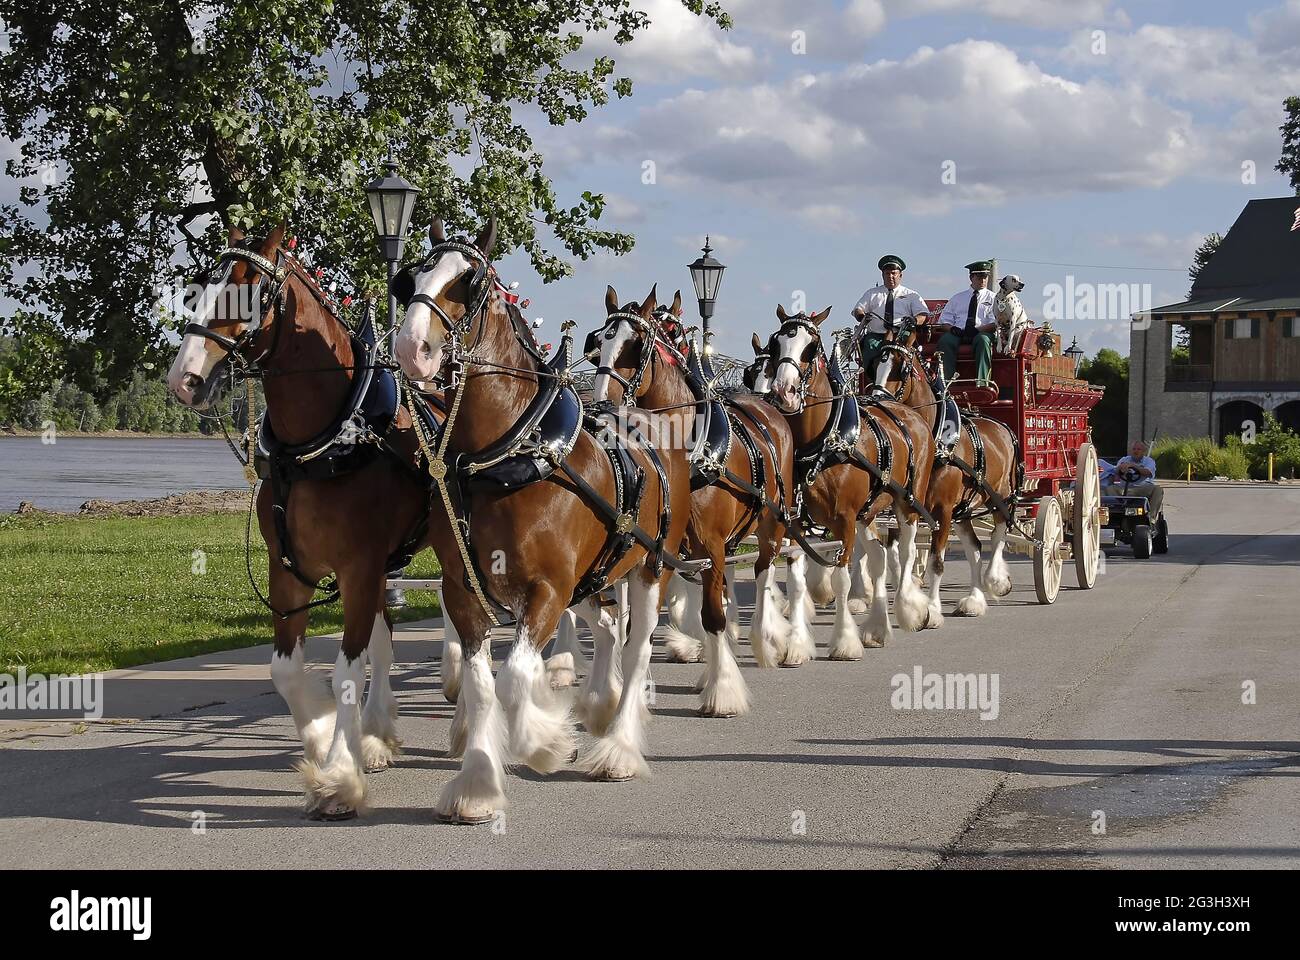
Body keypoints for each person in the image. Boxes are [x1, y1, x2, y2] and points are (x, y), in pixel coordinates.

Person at [852, 254, 928, 377]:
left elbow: (923, 315)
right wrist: (861, 316)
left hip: (902, 335)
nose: (891, 276)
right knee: (869, 346)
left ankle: (910, 376)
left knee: (906, 355)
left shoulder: (912, 295)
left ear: (900, 275)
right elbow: (858, 309)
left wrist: (914, 320)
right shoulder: (872, 293)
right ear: (883, 275)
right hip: (876, 336)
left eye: (894, 273)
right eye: (887, 273)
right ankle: (871, 380)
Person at [936, 260, 997, 388]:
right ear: (971, 277)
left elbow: (996, 323)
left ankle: (982, 383)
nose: (983, 280)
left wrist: (978, 330)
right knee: (945, 341)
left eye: (985, 276)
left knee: (983, 341)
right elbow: (943, 322)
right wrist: (952, 329)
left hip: (982, 333)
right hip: (959, 332)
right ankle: (947, 383)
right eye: (979, 276)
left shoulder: (994, 298)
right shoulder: (957, 298)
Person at [1102, 439, 1164, 517]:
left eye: (1138, 449)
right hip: (1124, 488)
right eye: (1134, 449)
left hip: (1143, 487)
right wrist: (1120, 468)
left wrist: (1133, 466)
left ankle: (1151, 517)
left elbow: (1148, 472)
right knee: (1108, 489)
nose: (1136, 451)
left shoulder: (1149, 461)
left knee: (1158, 490)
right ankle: (1113, 514)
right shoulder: (1124, 460)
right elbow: (1115, 473)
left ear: (1143, 451)